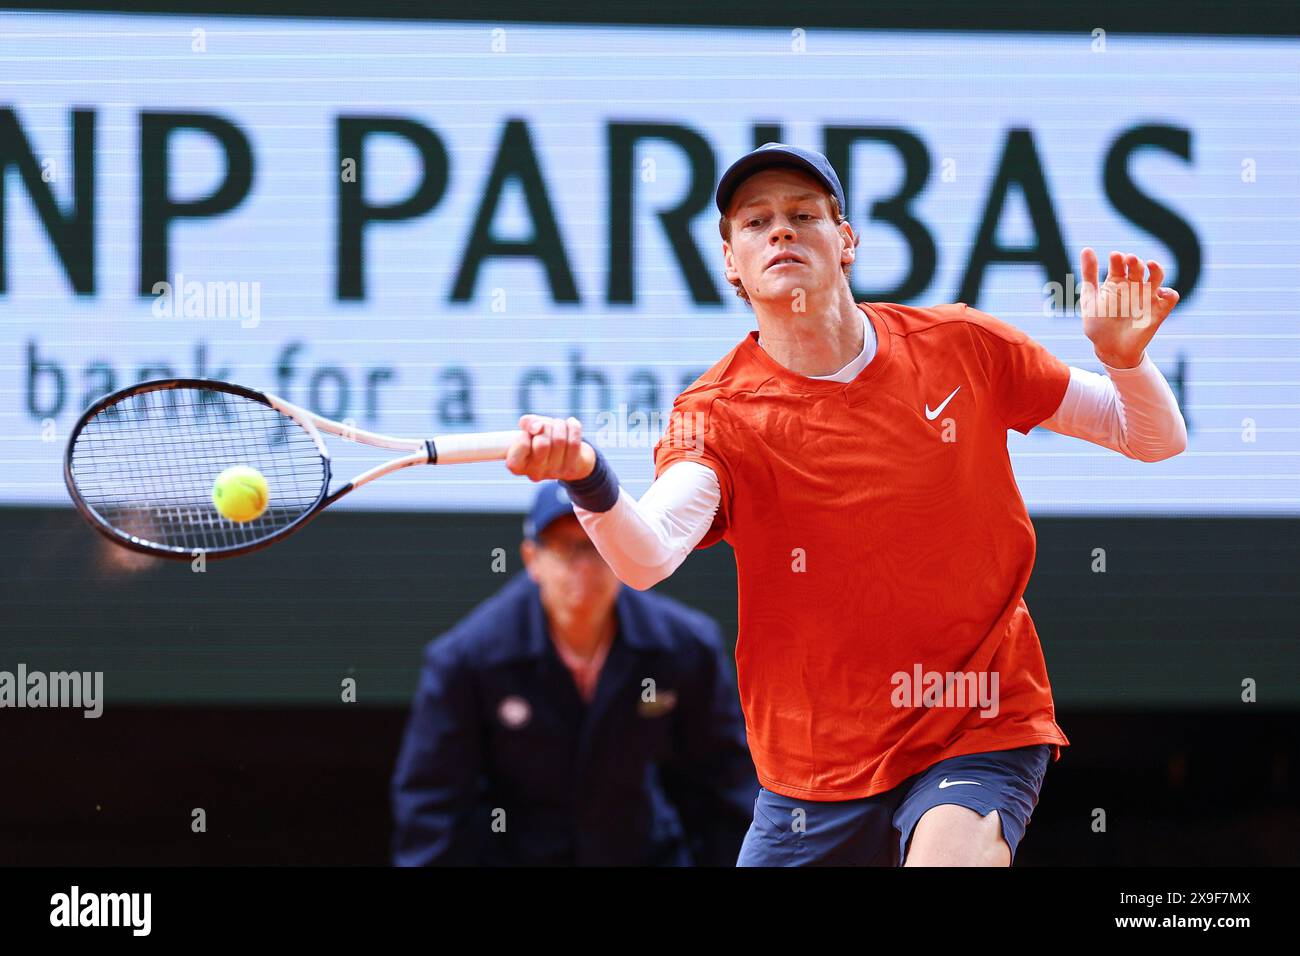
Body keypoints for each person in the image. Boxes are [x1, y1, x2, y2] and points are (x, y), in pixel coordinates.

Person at [503, 143, 1188, 866]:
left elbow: (1151, 438)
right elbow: (645, 558)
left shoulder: (963, 345)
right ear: (731, 262)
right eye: (755, 222)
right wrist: (585, 476)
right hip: (812, 775)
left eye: (804, 215)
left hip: (977, 724)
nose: (781, 231)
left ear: (847, 240)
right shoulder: (716, 416)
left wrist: (1125, 360)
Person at [390, 481, 757, 866]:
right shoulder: (467, 658)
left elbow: (725, 788)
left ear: (622, 553)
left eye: (598, 545)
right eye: (566, 547)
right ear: (532, 559)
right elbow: (433, 809)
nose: (584, 566)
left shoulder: (685, 646)